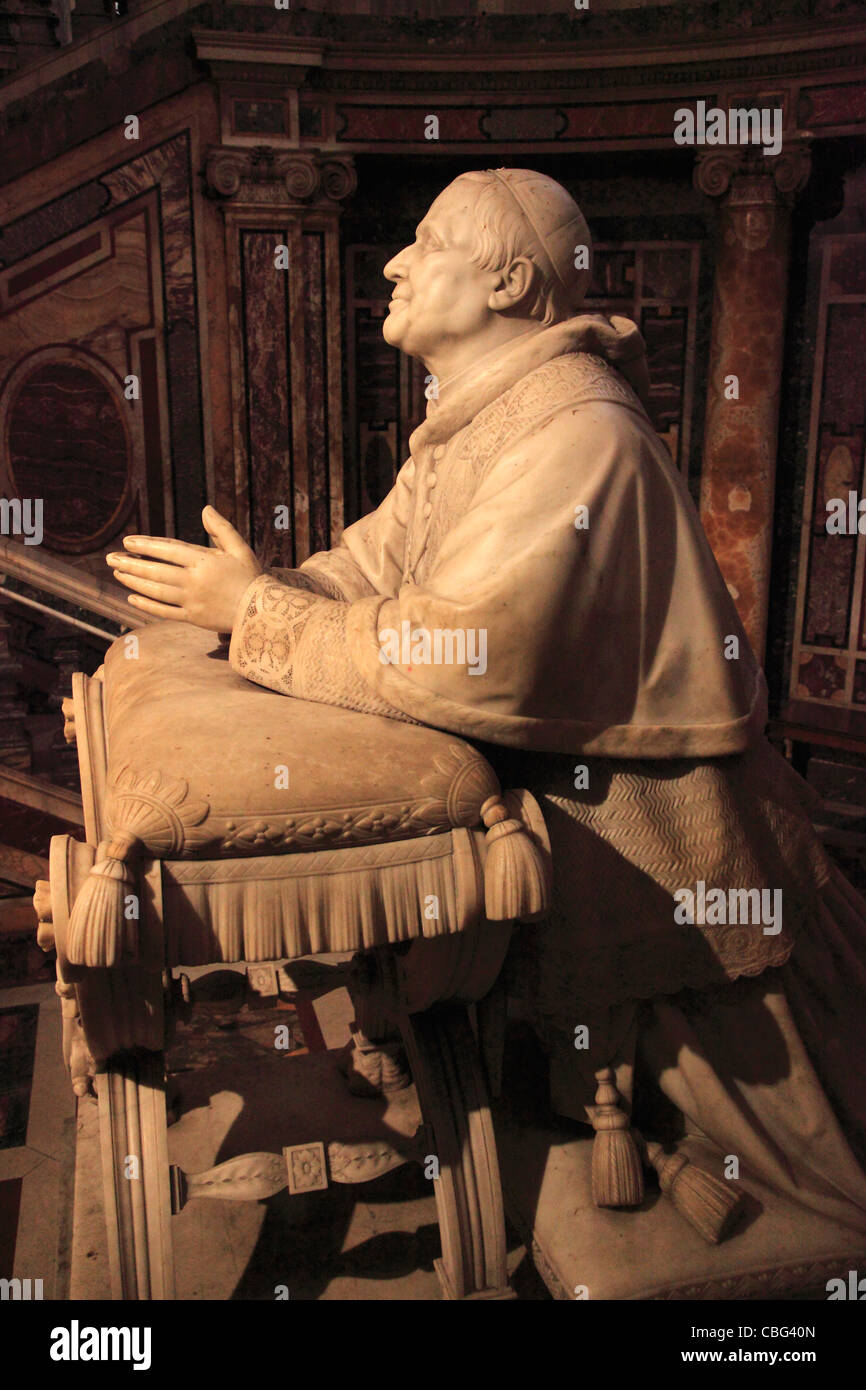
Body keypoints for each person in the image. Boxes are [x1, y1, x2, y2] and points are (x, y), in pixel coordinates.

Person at [107, 167, 866, 1235]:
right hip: (556, 795)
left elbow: (462, 660)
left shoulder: (579, 436)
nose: (393, 263)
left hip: (653, 835)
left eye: (425, 245)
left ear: (507, 279)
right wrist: (259, 596)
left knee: (797, 1157)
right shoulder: (482, 423)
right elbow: (373, 565)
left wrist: (261, 617)